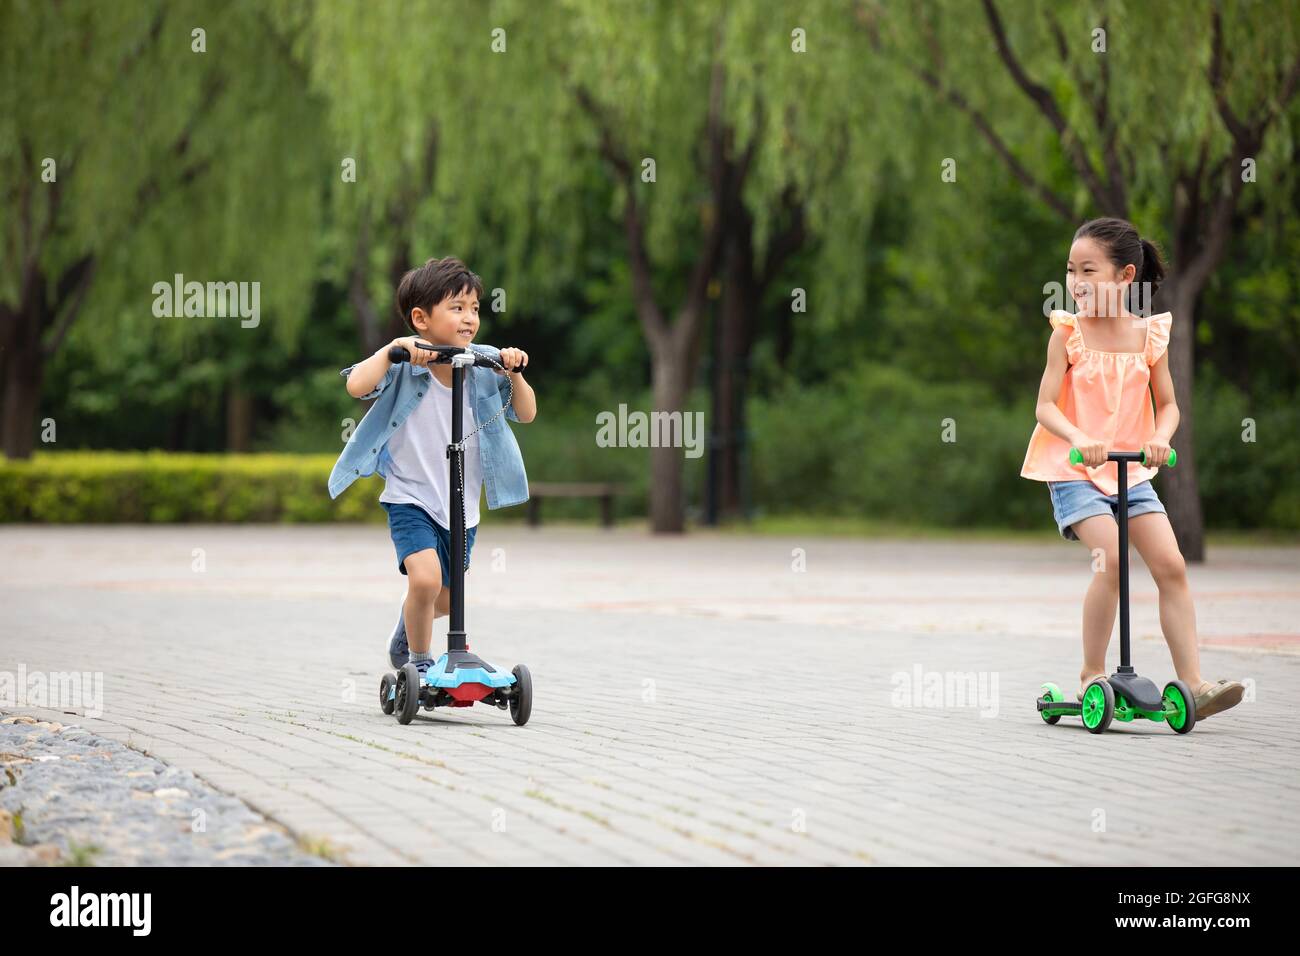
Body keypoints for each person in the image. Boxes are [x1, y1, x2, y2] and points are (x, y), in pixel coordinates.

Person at [1021, 218, 1243, 716]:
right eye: (1070, 271)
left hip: (1131, 471)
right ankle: (1090, 674)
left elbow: (1168, 404)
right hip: (1075, 469)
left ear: (1124, 277)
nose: (1075, 283)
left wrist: (1160, 439)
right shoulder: (1067, 334)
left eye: (1088, 271)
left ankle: (1194, 683)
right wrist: (1081, 439)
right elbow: (1045, 407)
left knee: (1171, 566)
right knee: (1112, 560)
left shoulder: (1150, 336)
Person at [328, 257, 536, 676]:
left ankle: (406, 630)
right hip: (411, 497)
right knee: (423, 581)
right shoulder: (405, 362)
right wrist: (392, 351)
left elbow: (527, 413)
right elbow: (356, 385)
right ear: (421, 318)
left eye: (474, 308)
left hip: (460, 506)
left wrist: (513, 371)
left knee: (446, 598)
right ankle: (419, 665)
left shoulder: (484, 363)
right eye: (457, 307)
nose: (469, 317)